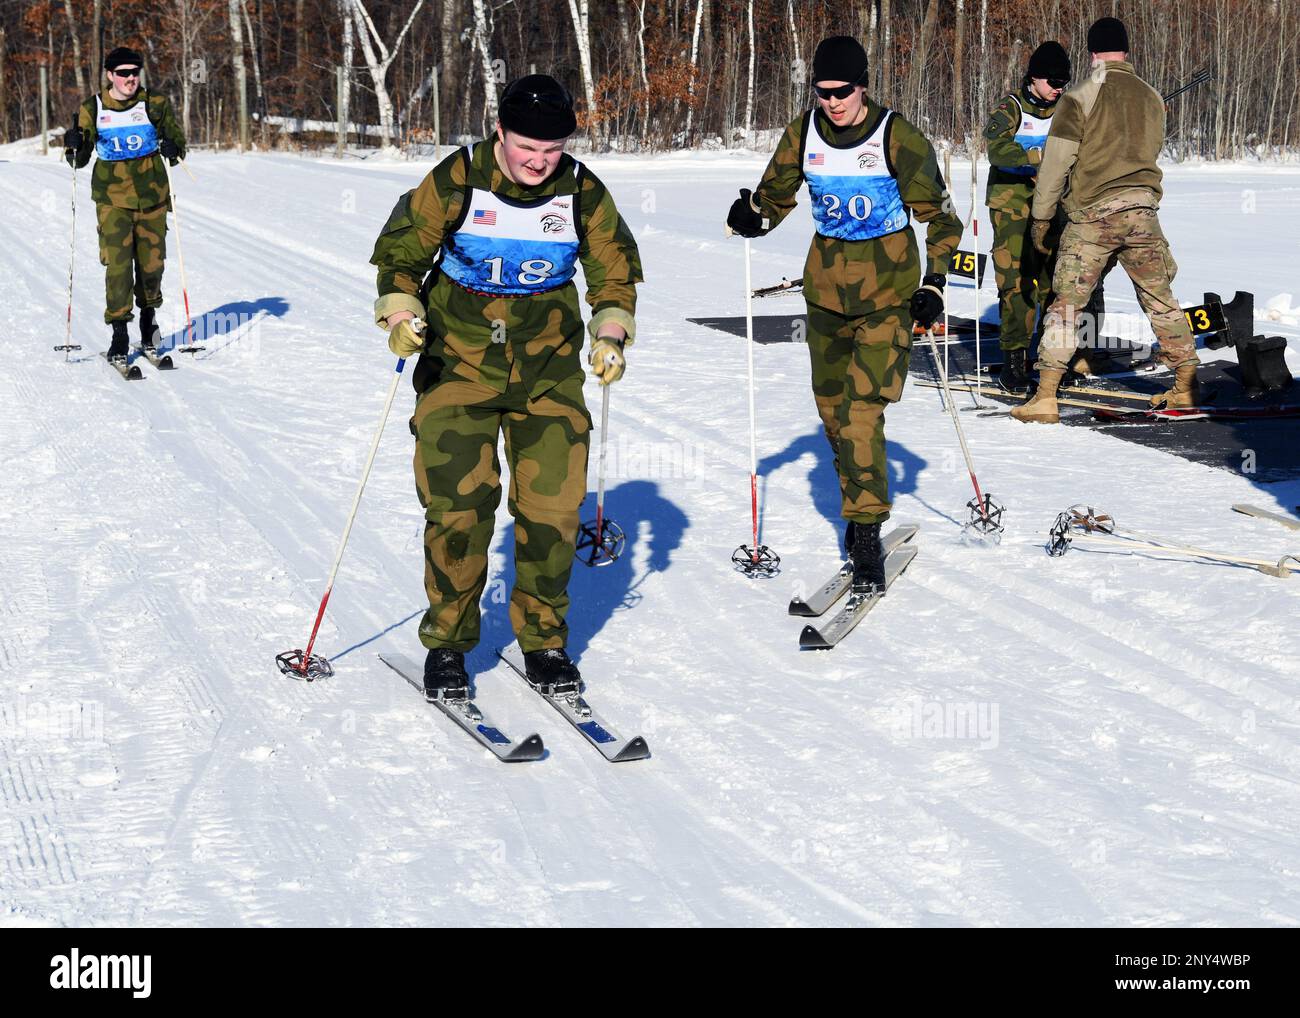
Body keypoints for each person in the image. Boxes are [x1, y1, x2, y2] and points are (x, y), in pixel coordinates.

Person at [370, 74, 643, 699]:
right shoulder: (458, 179)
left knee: (551, 511)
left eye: (551, 151)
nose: (538, 162)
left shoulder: (581, 193)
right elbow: (402, 255)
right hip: (458, 364)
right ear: (500, 132)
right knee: (459, 511)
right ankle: (448, 644)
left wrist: (610, 333)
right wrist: (401, 314)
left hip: (547, 371)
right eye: (526, 148)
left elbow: (613, 274)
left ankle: (544, 640)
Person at [725, 36, 962, 594]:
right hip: (825, 294)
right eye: (823, 92)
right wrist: (752, 217)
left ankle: (864, 530)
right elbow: (774, 198)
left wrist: (935, 283)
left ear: (863, 86)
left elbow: (941, 218)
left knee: (861, 415)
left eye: (843, 92)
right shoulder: (803, 132)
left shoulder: (896, 136)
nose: (832, 102)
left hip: (888, 297)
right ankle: (861, 498)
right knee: (833, 415)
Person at [1012, 17, 1199, 423]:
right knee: (1160, 298)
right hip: (1142, 213)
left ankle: (1045, 396)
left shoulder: (1078, 96)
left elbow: (1055, 166)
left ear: (1092, 52)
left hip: (1092, 218)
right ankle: (1184, 382)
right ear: (1125, 51)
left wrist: (1042, 219)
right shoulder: (1150, 96)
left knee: (1067, 303)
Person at [63, 46, 185, 363]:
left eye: (134, 72)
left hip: (153, 196)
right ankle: (119, 332)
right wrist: (73, 145)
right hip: (112, 198)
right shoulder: (94, 108)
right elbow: (80, 157)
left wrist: (173, 147)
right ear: (110, 75)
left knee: (152, 265)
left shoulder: (154, 103)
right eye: (123, 73)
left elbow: (176, 141)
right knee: (118, 266)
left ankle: (148, 324)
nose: (130, 79)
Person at [983, 41, 1071, 393]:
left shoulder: (1067, 108)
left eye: (1063, 82)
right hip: (1013, 207)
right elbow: (997, 150)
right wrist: (1039, 155)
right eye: (1052, 81)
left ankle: (1052, 359)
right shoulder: (1012, 107)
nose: (1058, 88)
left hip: (1053, 206)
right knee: (1017, 282)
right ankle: (1014, 363)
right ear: (1034, 78)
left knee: (1055, 282)